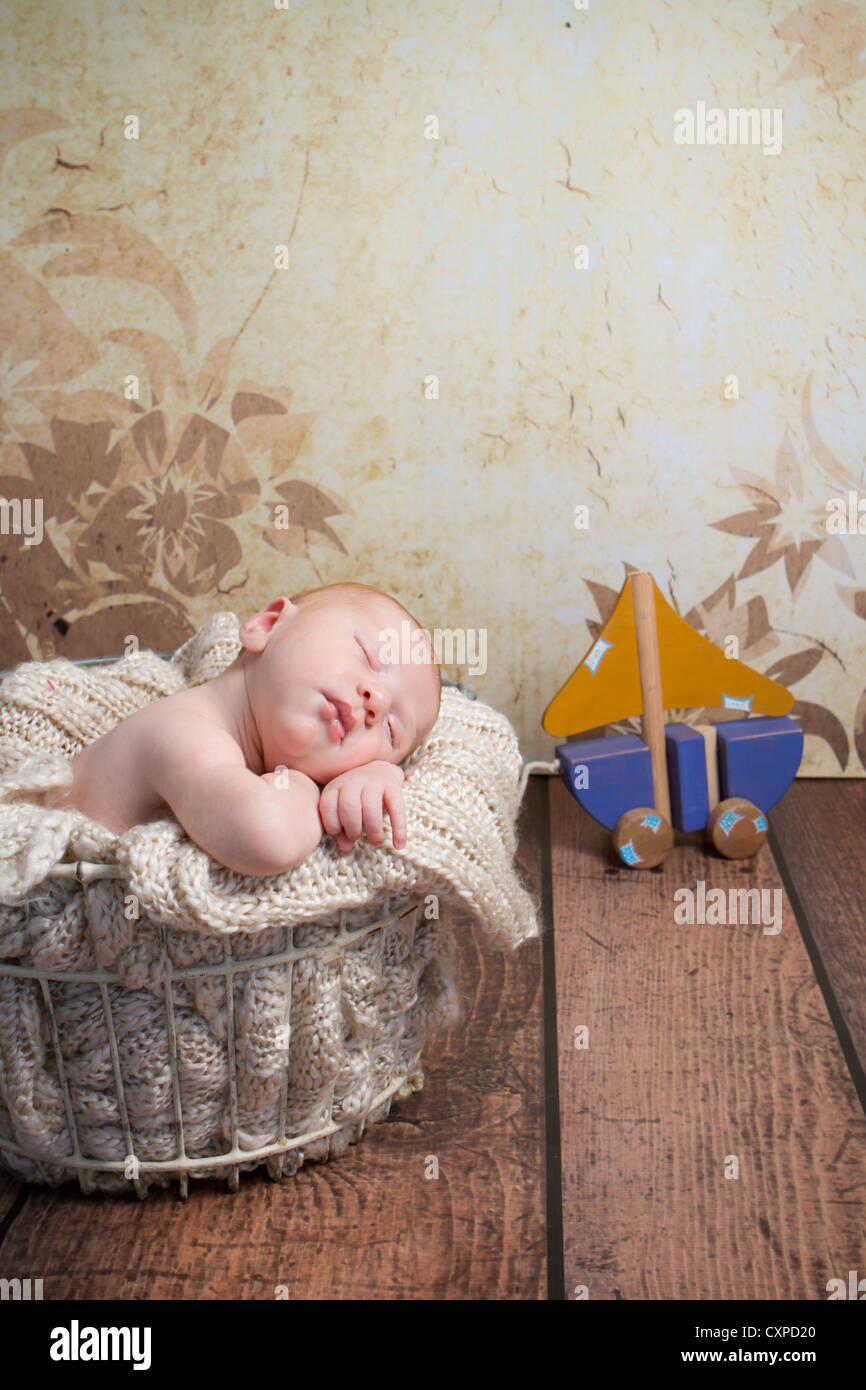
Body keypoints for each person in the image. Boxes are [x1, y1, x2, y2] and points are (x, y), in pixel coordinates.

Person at [48, 582, 442, 875]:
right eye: (368, 655)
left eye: (391, 731)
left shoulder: (247, 762)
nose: (376, 700)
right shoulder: (183, 733)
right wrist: (311, 788)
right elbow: (270, 836)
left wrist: (373, 776)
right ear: (267, 624)